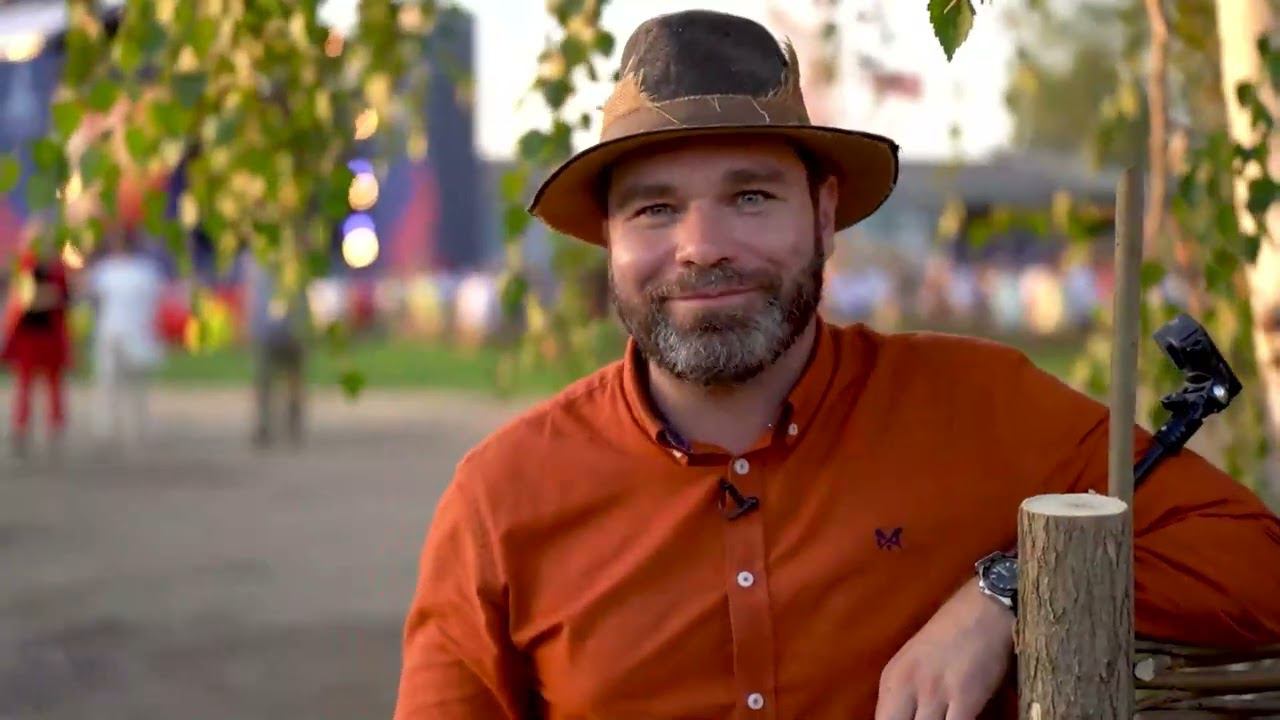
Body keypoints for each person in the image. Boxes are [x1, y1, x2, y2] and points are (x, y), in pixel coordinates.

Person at [394, 11, 1280, 720]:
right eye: (655, 210)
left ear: (822, 216)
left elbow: (1254, 559)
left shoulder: (981, 406)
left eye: (750, 196)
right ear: (609, 241)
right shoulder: (502, 500)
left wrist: (1007, 596)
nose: (702, 247)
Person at [84, 229, 167, 448]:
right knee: (116, 383)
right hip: (118, 332)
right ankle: (118, 428)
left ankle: (121, 428)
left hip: (124, 332)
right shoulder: (133, 271)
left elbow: (93, 300)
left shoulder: (116, 271)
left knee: (124, 384)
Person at [2, 244, 71, 457]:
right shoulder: (25, 270)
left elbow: (58, 299)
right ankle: (21, 427)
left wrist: (39, 297)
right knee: (25, 384)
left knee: (53, 384)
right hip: (29, 337)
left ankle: (55, 427)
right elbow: (25, 300)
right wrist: (43, 296)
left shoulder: (57, 273)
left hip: (49, 336)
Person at [242, 250, 308, 448]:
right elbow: (254, 297)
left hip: (290, 328)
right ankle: (266, 425)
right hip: (269, 329)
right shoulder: (259, 261)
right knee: (266, 381)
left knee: (291, 379)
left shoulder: (293, 259)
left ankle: (291, 424)